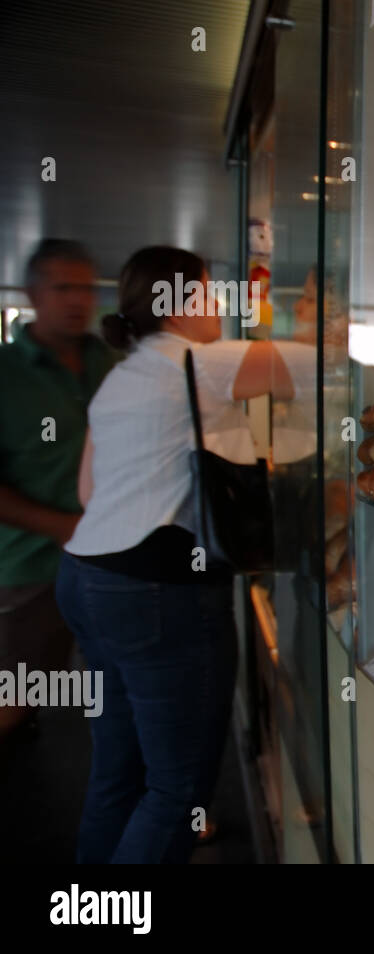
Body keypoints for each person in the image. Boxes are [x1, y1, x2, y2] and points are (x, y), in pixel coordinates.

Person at [55, 245, 313, 863]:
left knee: (117, 774)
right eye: (210, 290)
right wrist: (313, 317)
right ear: (184, 301)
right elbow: (321, 367)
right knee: (177, 791)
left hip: (87, 579)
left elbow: (87, 492)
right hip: (159, 591)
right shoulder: (201, 363)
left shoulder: (120, 377)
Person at [0, 239, 117, 740]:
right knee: (17, 703)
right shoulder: (6, 373)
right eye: (62, 287)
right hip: (30, 569)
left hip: (114, 564)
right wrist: (63, 527)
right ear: (32, 292)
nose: (76, 300)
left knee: (120, 700)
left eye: (86, 288)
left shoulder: (113, 366)